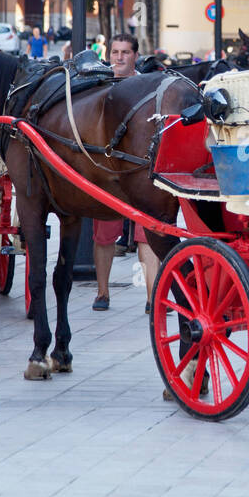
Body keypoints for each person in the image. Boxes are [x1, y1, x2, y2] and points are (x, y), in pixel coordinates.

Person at [91, 33, 161, 312]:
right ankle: (102, 293)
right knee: (104, 234)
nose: (119, 57)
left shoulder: (147, 85)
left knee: (147, 235)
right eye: (115, 52)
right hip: (108, 171)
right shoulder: (99, 83)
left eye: (125, 52)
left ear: (135, 56)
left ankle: (152, 299)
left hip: (141, 170)